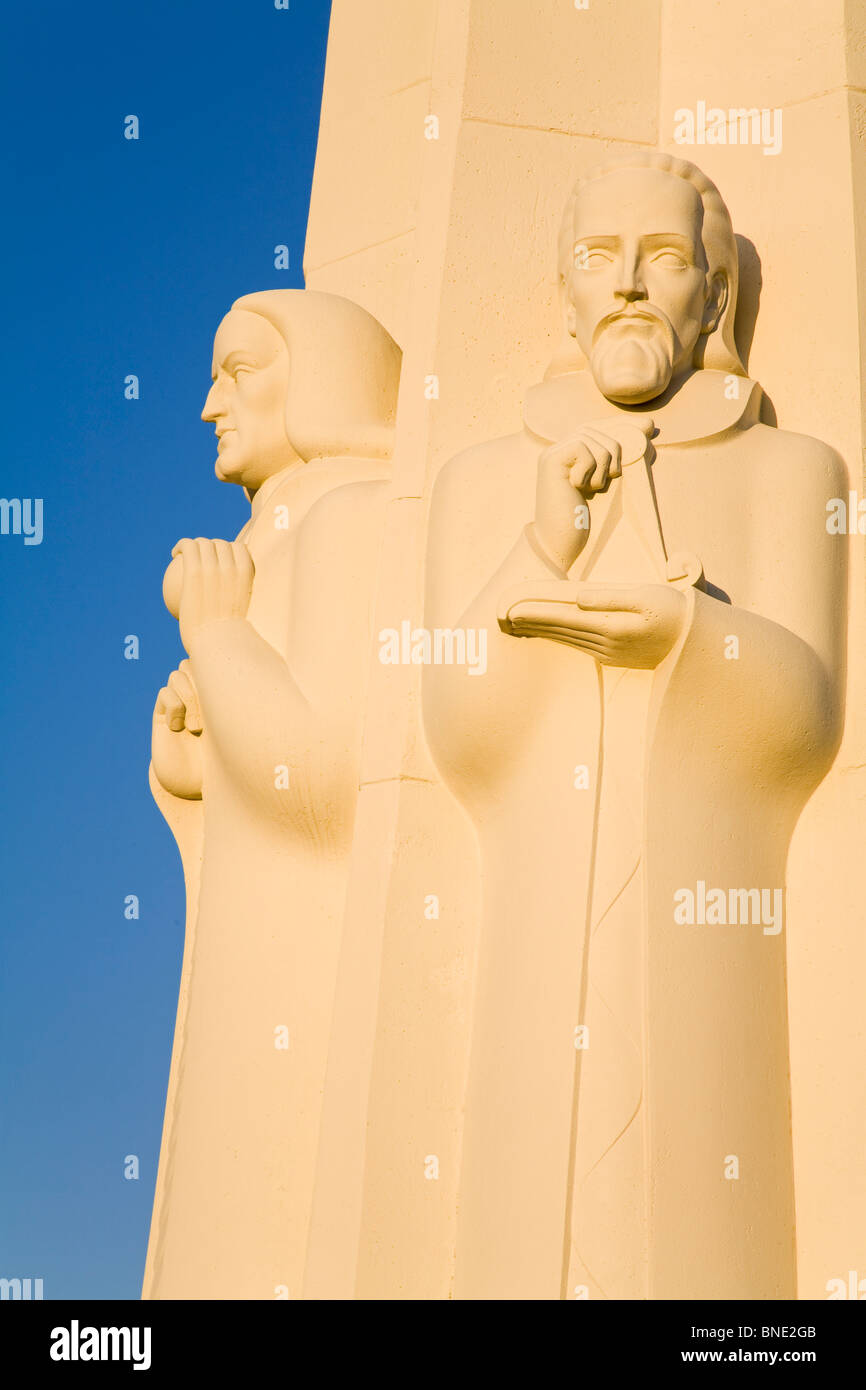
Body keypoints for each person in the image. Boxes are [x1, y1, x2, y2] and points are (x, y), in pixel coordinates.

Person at [423, 152, 847, 1299]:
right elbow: (452, 723)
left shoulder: (789, 470)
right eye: (595, 259)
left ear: (712, 297)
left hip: (710, 899)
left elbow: (811, 711)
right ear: (560, 293)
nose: (624, 286)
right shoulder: (480, 483)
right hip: (532, 912)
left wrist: (685, 640)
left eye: (662, 259)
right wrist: (541, 548)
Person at [144, 289, 401, 1299]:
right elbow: (254, 782)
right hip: (246, 959)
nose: (210, 403)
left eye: (238, 371)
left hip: (307, 969)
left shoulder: (359, 518)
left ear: (322, 383)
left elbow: (325, 780)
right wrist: (188, 762)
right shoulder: (276, 547)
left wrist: (216, 632)